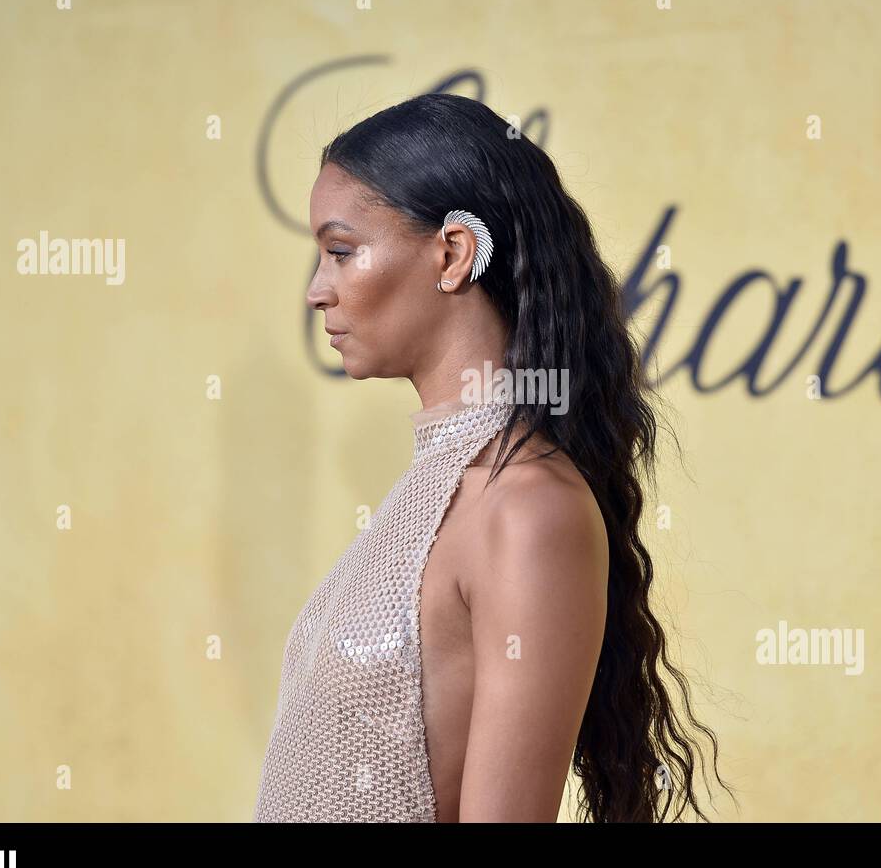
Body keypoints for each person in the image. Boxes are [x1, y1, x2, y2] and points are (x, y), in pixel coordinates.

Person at [253, 92, 736, 822]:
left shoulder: (528, 507)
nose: (319, 291)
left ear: (452, 254)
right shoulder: (437, 489)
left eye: (341, 250)